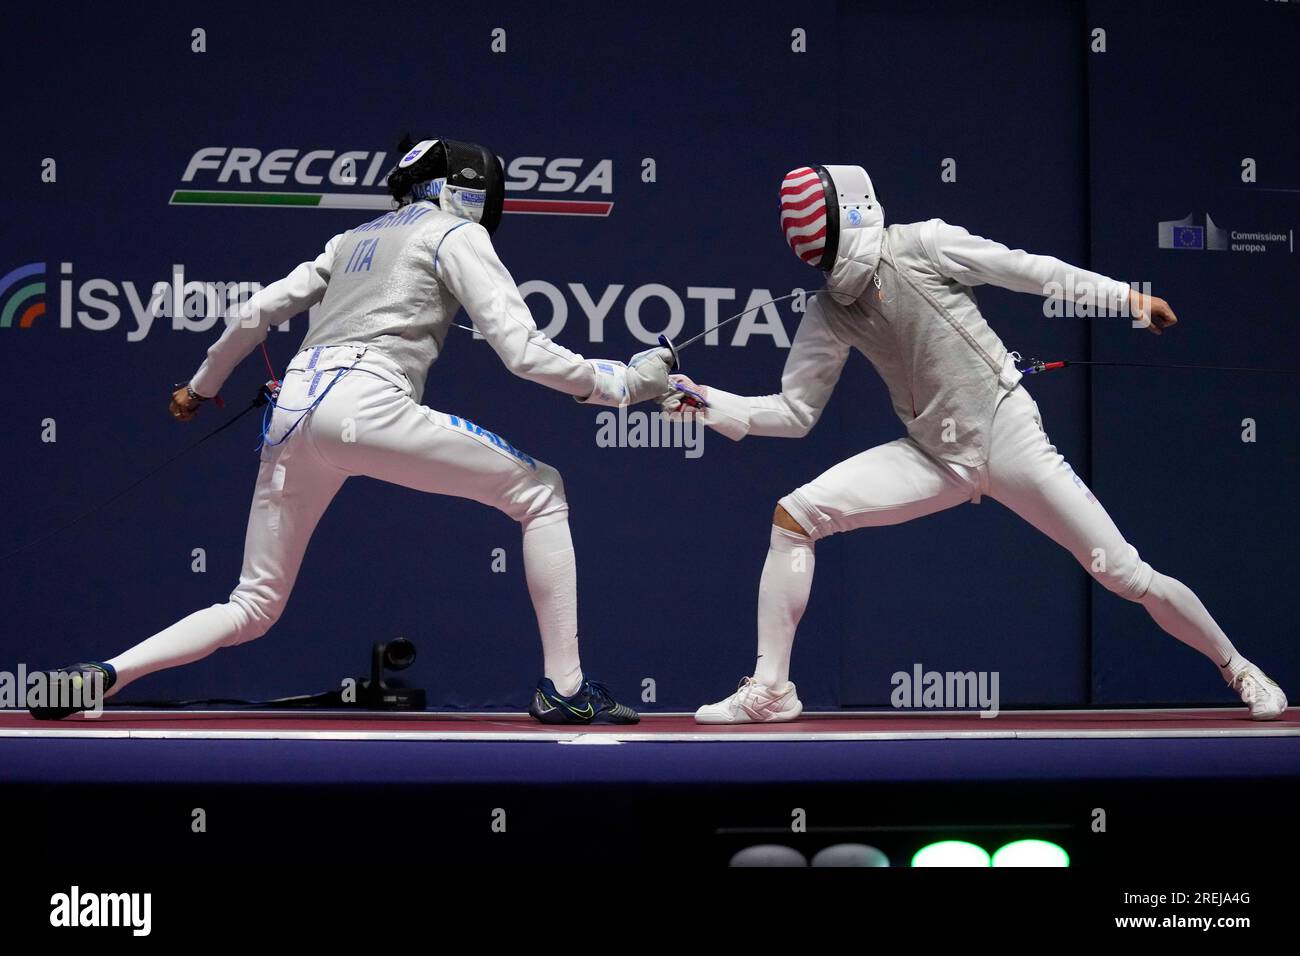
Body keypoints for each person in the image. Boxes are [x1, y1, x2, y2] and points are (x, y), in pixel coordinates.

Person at [29, 136, 672, 724]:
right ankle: (564, 689)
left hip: (291, 414)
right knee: (542, 492)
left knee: (253, 604)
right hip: (364, 404)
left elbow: (256, 311)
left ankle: (107, 675)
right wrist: (626, 382)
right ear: (468, 188)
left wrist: (200, 386)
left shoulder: (352, 239)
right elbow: (523, 353)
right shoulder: (455, 235)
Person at [665, 164, 1288, 723]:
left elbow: (1029, 272)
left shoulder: (925, 244)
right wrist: (711, 404)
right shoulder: (831, 310)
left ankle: (1238, 667)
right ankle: (772, 688)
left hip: (1005, 431)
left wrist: (1126, 299)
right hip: (934, 457)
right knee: (795, 516)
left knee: (1122, 572)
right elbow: (796, 411)